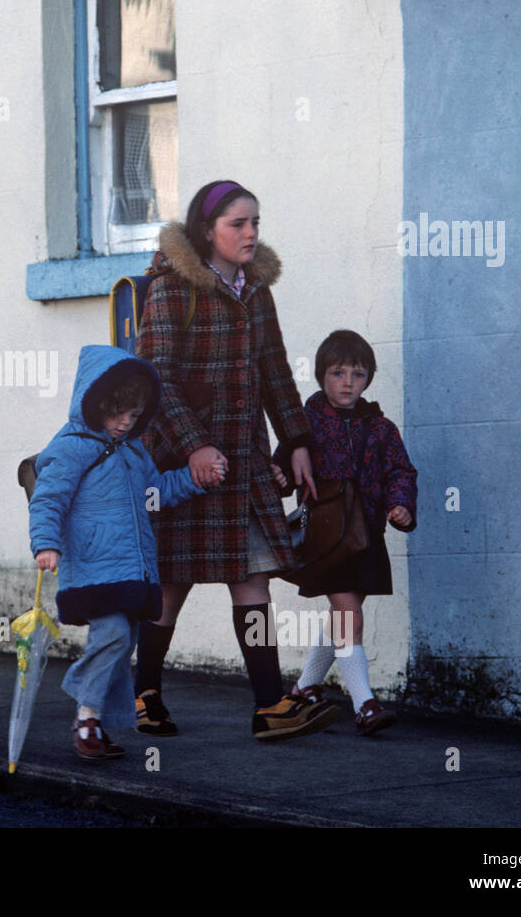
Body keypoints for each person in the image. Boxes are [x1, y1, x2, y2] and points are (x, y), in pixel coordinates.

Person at [134, 179, 338, 742]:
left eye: (255, 223)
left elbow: (275, 372)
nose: (250, 234)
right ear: (207, 232)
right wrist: (194, 446)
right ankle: (145, 693)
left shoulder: (256, 292)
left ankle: (270, 706)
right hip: (182, 467)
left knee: (253, 578)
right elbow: (154, 379)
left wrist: (296, 441)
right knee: (171, 584)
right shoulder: (172, 289)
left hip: (243, 465)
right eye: (237, 225)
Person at [30, 344, 211, 762]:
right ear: (96, 405)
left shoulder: (133, 452)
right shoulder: (71, 447)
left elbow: (154, 495)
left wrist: (195, 479)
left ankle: (95, 721)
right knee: (112, 636)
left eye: (133, 415)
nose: (125, 423)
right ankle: (86, 717)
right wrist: (46, 544)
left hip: (131, 569)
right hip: (92, 566)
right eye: (118, 414)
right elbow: (48, 499)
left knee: (123, 641)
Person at [274, 330, 418, 735]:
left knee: (344, 616)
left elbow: (401, 472)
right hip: (325, 538)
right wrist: (277, 474)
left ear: (368, 378)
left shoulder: (382, 428)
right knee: (349, 616)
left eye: (357, 373)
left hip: (366, 536)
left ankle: (304, 688)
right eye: (338, 373)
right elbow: (282, 472)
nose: (347, 382)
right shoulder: (304, 423)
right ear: (322, 375)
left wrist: (401, 505)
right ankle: (365, 705)